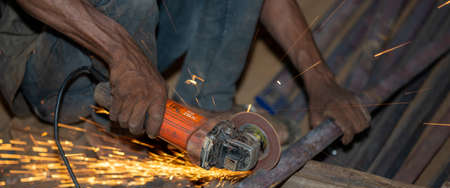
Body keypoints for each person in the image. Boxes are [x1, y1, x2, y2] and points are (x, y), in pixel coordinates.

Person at [1, 0, 370, 145]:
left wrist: (320, 81)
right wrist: (123, 53)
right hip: (49, 60)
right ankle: (135, 122)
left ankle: (202, 112)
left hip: (141, 36)